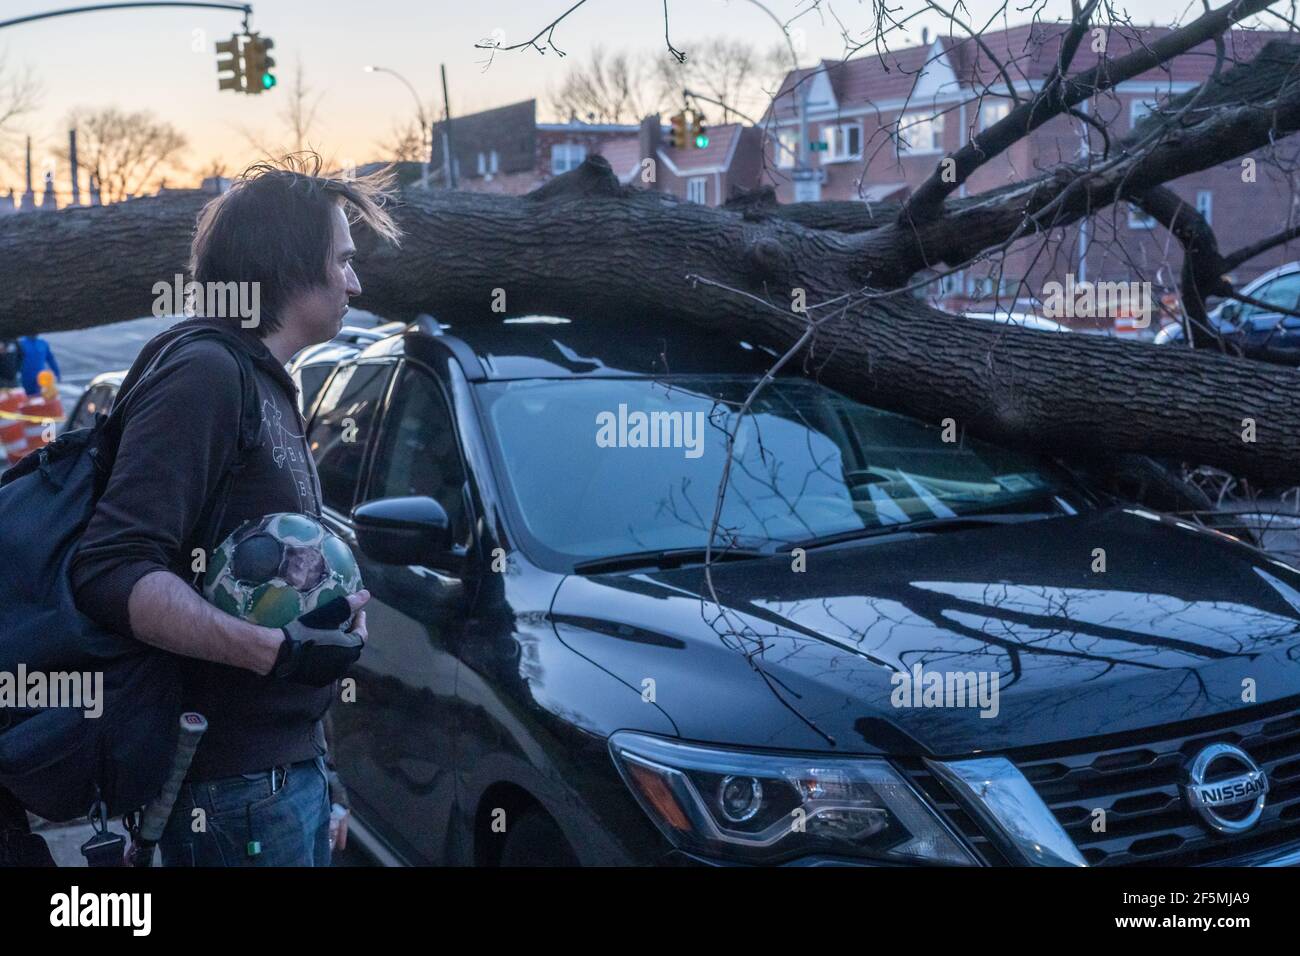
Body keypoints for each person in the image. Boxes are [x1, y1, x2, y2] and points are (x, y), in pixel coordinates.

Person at [69, 153, 402, 866]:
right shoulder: (205, 374)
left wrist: (326, 775)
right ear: (288, 266)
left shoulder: (269, 384)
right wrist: (269, 652)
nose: (355, 281)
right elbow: (110, 568)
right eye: (341, 261)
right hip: (229, 793)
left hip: (285, 778)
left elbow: (280, 599)